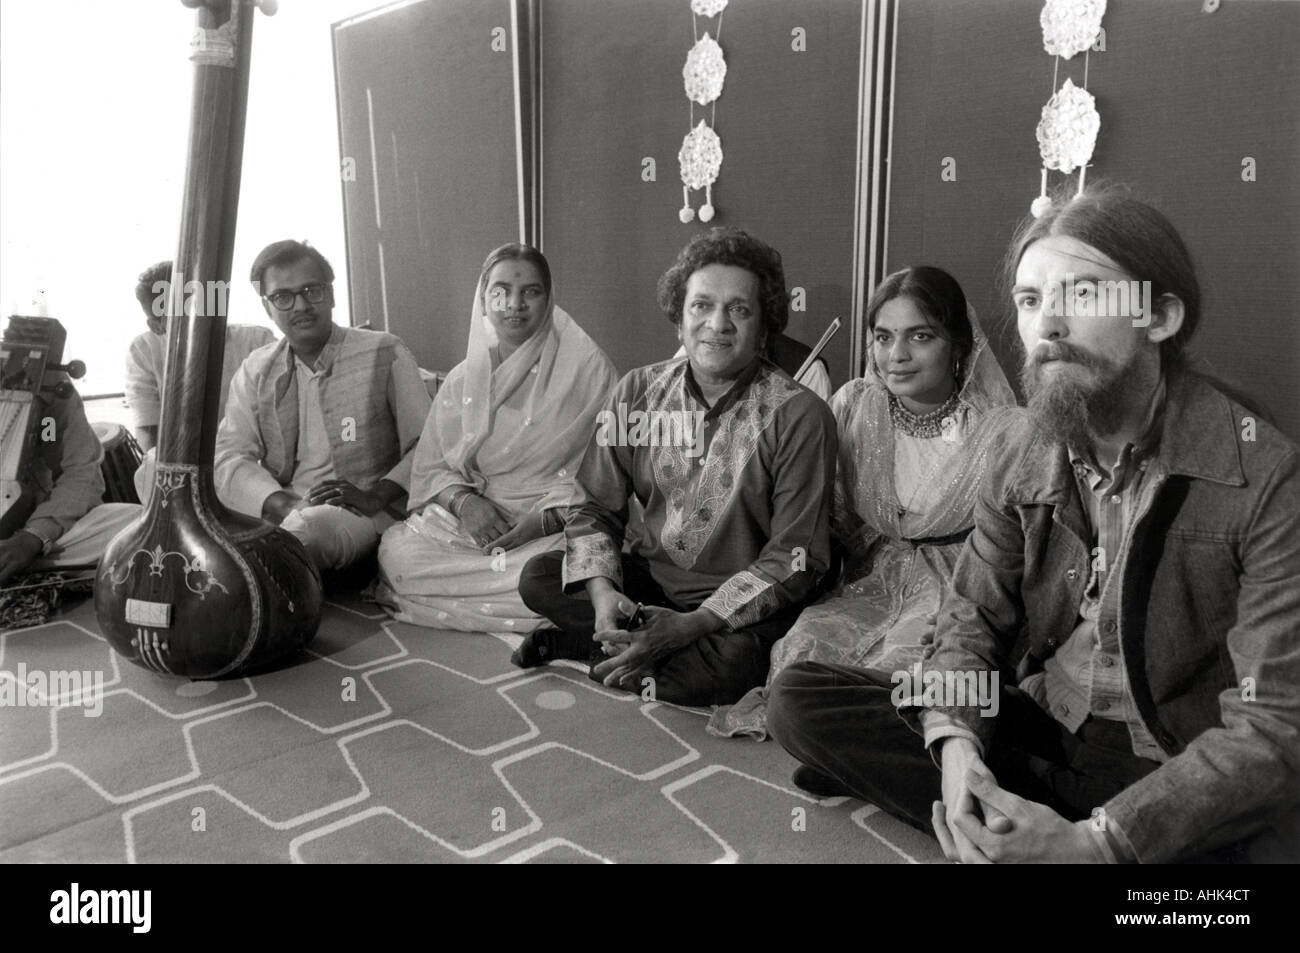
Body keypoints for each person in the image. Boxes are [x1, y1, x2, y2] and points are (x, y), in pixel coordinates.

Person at [767, 185, 1300, 863]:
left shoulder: (1266, 476)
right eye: (1029, 300)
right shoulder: (1023, 447)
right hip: (1043, 722)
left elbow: (1273, 724)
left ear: (1160, 315)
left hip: (1170, 762)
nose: (1047, 324)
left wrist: (1100, 842)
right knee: (800, 696)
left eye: (1082, 294)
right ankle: (1012, 817)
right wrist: (958, 747)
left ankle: (1067, 840)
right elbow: (971, 622)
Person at [513, 227, 838, 707]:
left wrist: (696, 623)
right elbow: (593, 507)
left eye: (739, 309)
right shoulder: (636, 391)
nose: (718, 324)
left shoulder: (801, 415)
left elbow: (796, 558)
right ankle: (631, 647)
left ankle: (599, 652)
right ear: (678, 320)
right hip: (654, 585)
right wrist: (603, 596)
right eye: (701, 306)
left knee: (737, 666)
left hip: (740, 610)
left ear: (765, 327)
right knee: (538, 577)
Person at [709, 266, 1015, 739]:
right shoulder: (853, 405)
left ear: (958, 344)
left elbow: (1012, 550)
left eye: (920, 336)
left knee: (905, 674)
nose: (897, 355)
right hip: (865, 577)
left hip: (956, 591)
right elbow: (821, 511)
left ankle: (856, 747)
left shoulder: (1001, 431)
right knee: (800, 656)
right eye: (882, 337)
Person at [371, 244, 618, 632]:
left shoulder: (588, 369)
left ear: (549, 299)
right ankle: (537, 607)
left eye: (530, 292)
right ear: (484, 302)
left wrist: (545, 520)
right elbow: (433, 464)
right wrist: (466, 503)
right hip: (478, 520)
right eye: (500, 292)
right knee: (399, 552)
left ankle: (530, 597)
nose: (514, 304)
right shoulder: (463, 378)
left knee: (572, 561)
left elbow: (610, 470)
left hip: (553, 522)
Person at [214, 240, 431, 573]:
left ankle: (248, 569)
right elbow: (229, 454)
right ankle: (260, 564)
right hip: (283, 505)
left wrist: (375, 496)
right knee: (157, 467)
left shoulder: (384, 351)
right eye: (283, 297)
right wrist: (282, 502)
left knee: (308, 531)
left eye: (311, 290)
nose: (300, 305)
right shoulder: (257, 369)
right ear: (268, 308)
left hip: (360, 512)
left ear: (330, 295)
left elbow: (428, 445)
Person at [0, 321, 139, 588]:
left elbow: (78, 470)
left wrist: (33, 537)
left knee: (132, 523)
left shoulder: (43, 383)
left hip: (28, 535)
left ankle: (19, 558)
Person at [125, 260, 276, 451]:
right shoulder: (143, 351)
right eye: (183, 314)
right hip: (182, 460)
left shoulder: (258, 340)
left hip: (253, 460)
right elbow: (148, 430)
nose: (199, 318)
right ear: (157, 326)